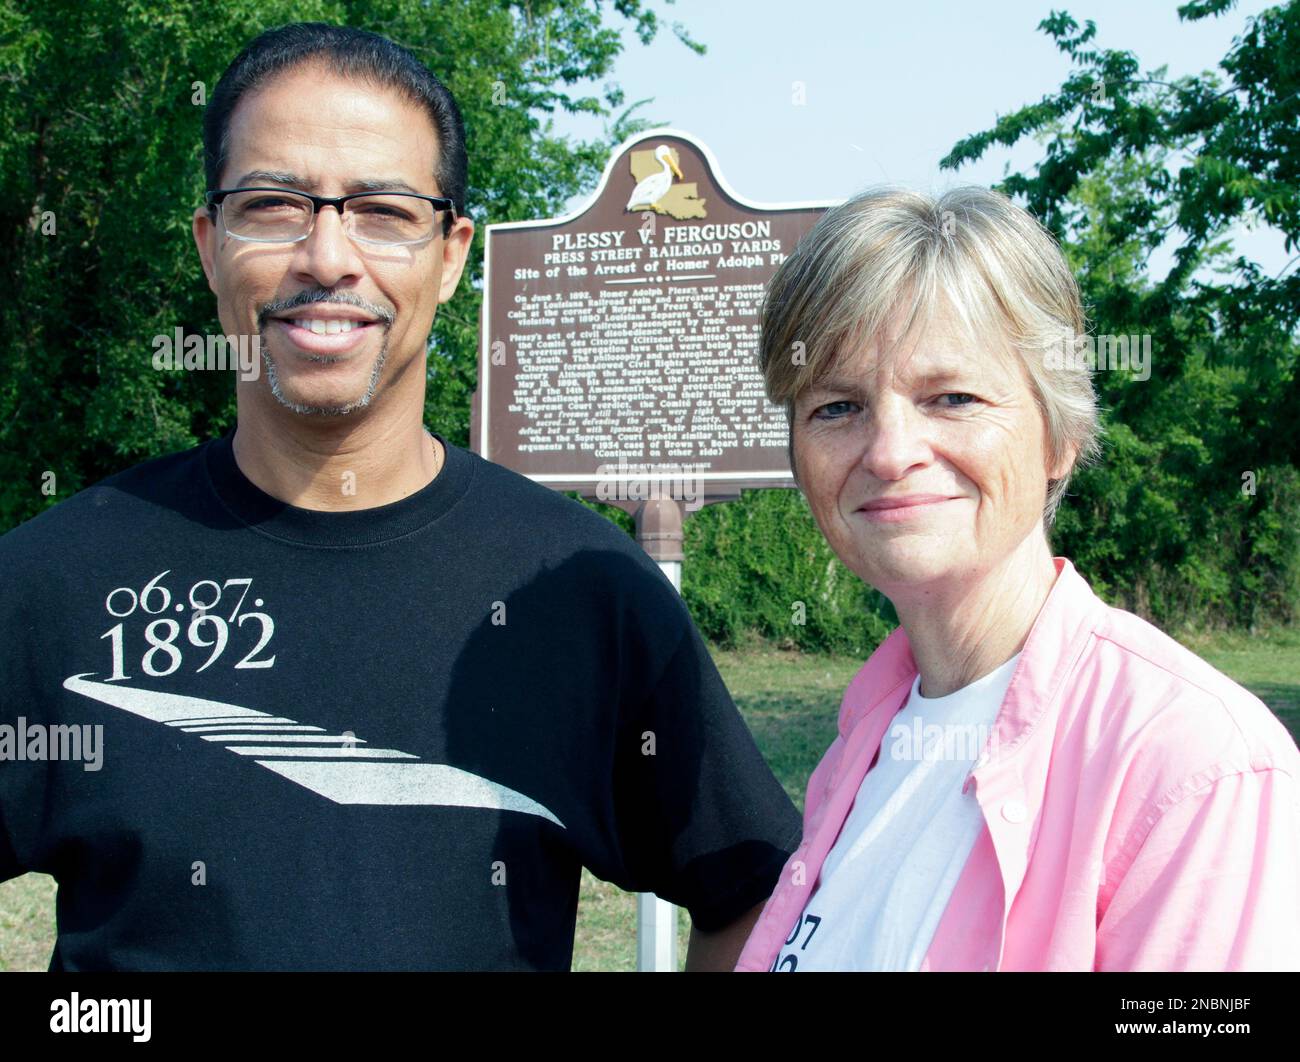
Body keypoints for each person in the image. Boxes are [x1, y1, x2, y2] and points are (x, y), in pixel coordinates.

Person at [0, 22, 800, 971]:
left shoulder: (582, 592)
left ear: (451, 253)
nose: (328, 257)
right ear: (211, 247)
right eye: (273, 204)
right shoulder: (52, 579)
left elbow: (755, 898)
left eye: (383, 210)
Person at [735, 186, 1300, 972]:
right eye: (837, 407)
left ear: (1059, 438)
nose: (890, 452)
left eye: (953, 397)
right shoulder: (866, 736)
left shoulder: (1194, 766)